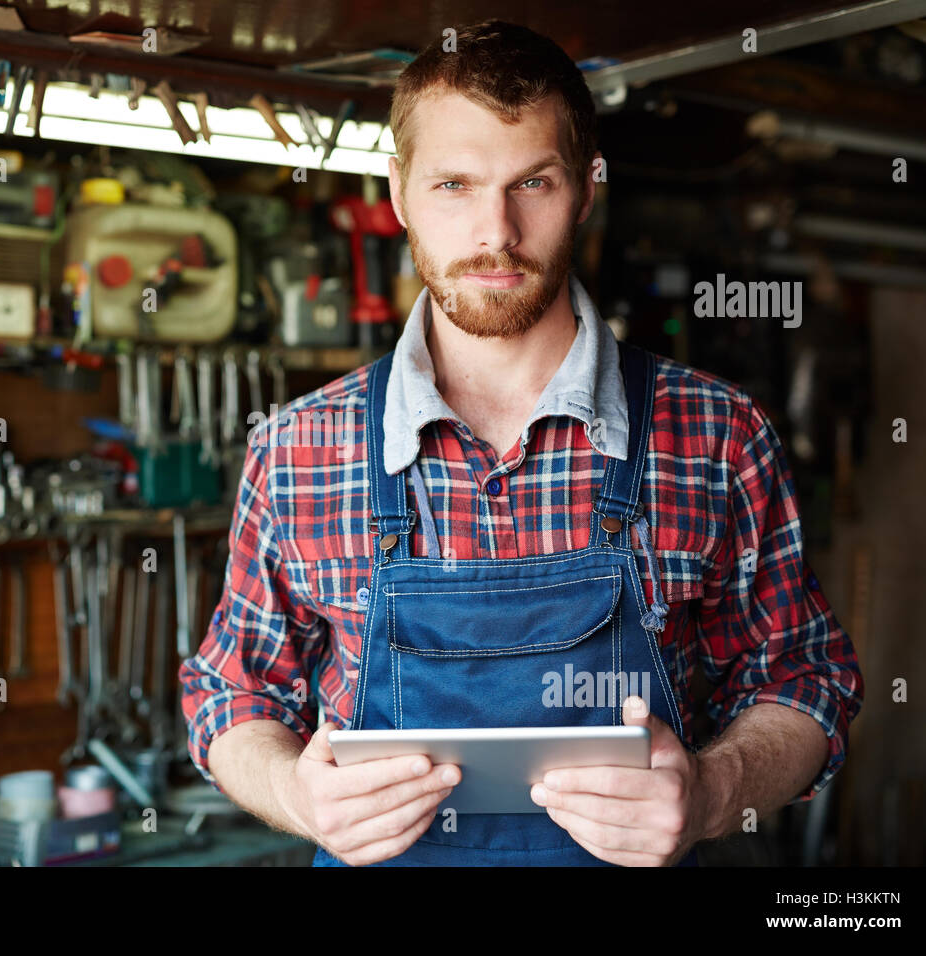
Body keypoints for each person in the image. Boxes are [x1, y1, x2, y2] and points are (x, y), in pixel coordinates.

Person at [179, 19, 863, 866]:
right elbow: (230, 691)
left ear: (584, 188)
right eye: (454, 185)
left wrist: (713, 792)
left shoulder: (719, 435)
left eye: (531, 183)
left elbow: (805, 678)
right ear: (398, 193)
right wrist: (295, 794)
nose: (494, 231)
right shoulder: (298, 450)